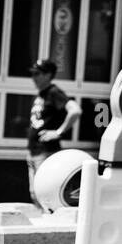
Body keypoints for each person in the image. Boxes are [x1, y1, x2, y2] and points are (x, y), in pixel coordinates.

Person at [26, 58, 81, 205]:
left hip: (46, 152)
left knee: (43, 195)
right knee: (34, 194)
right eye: (33, 74)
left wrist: (58, 132)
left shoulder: (54, 92)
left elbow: (75, 110)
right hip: (34, 152)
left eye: (37, 74)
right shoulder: (41, 94)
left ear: (48, 75)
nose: (34, 78)